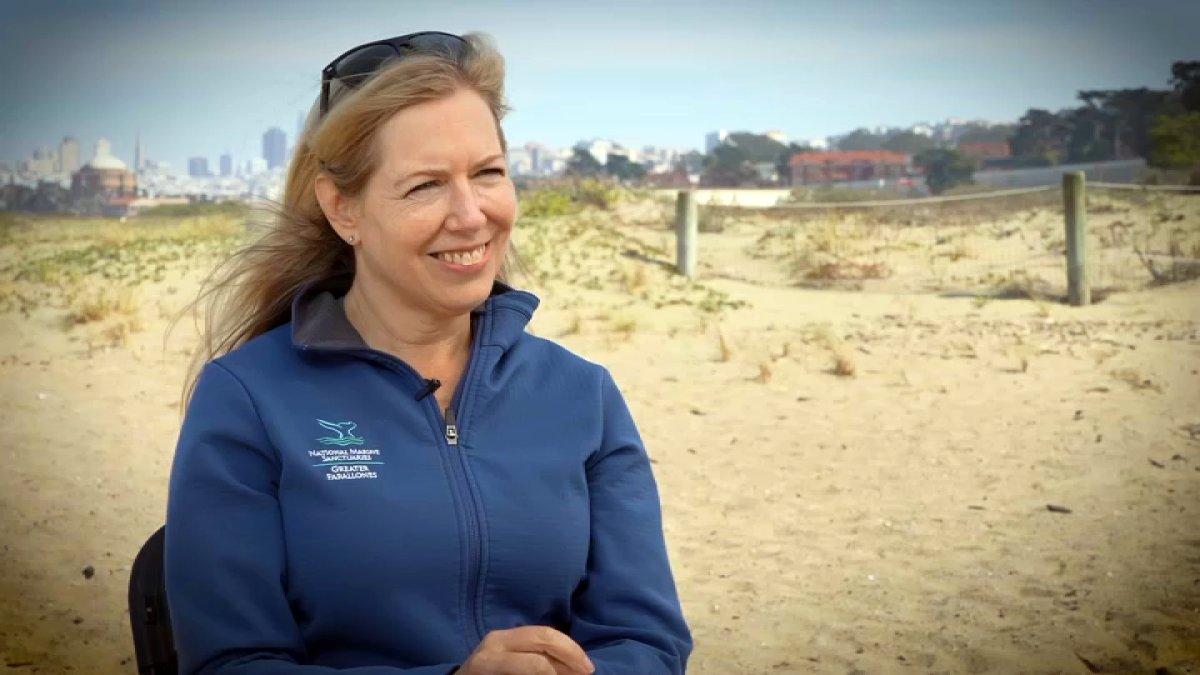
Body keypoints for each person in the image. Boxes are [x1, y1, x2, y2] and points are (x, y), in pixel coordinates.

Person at [164, 31, 692, 675]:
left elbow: (647, 639)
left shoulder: (582, 393)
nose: (471, 216)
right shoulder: (248, 399)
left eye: (488, 173)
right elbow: (231, 663)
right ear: (343, 209)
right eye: (426, 185)